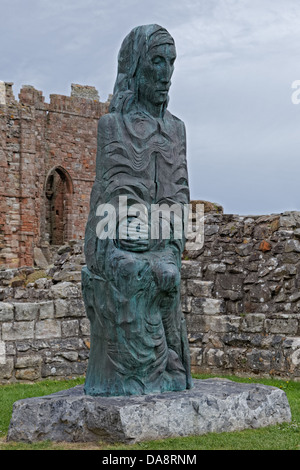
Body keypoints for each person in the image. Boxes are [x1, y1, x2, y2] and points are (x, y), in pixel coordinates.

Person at [82, 24, 193, 396]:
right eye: (156, 62)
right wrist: (125, 231)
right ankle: (135, 374)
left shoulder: (176, 130)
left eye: (171, 62)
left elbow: (179, 198)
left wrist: (165, 241)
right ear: (134, 67)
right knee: (133, 272)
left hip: (160, 239)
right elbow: (109, 197)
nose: (166, 74)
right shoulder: (112, 126)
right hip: (116, 241)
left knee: (166, 272)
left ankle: (164, 368)